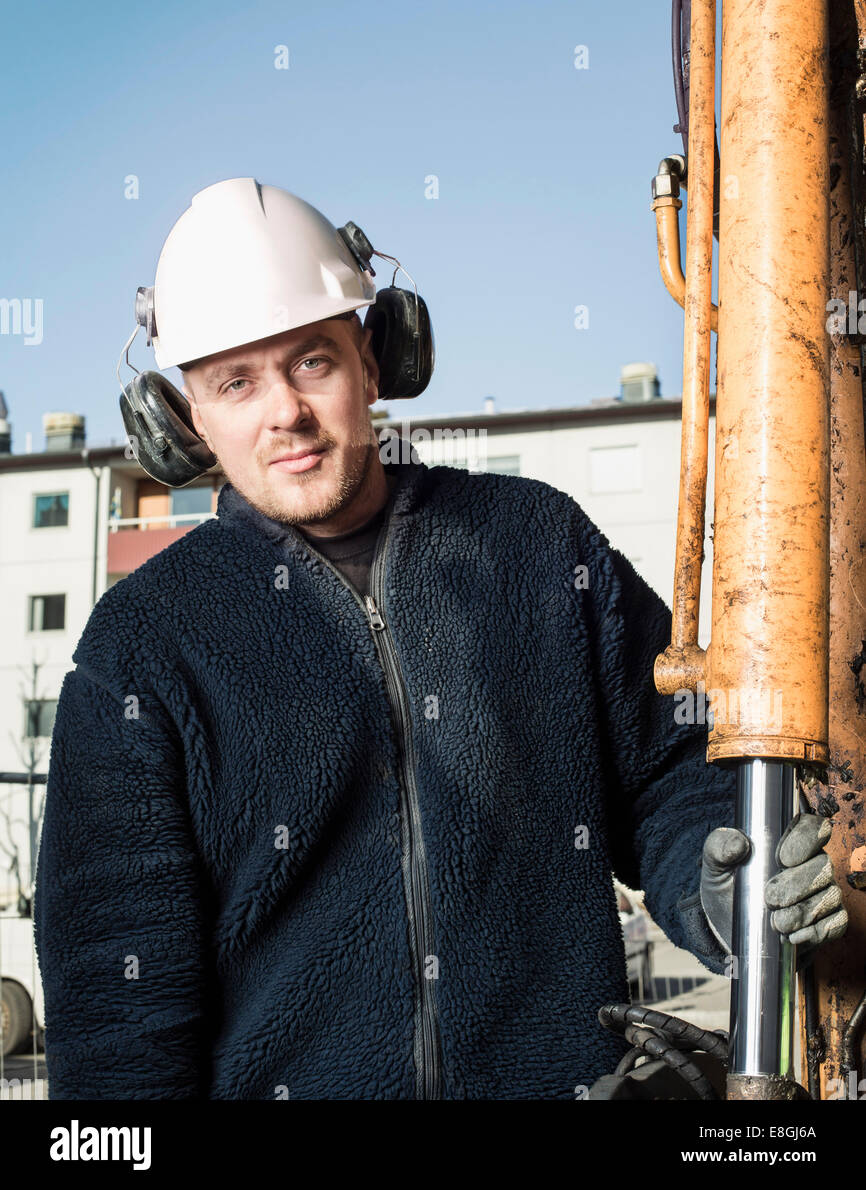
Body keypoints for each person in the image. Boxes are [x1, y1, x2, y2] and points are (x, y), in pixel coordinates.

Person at [33, 179, 848, 1100]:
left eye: (311, 362)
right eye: (235, 382)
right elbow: (116, 1013)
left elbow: (670, 775)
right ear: (184, 419)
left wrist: (715, 880)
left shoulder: (539, 545)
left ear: (375, 361)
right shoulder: (142, 645)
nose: (285, 414)